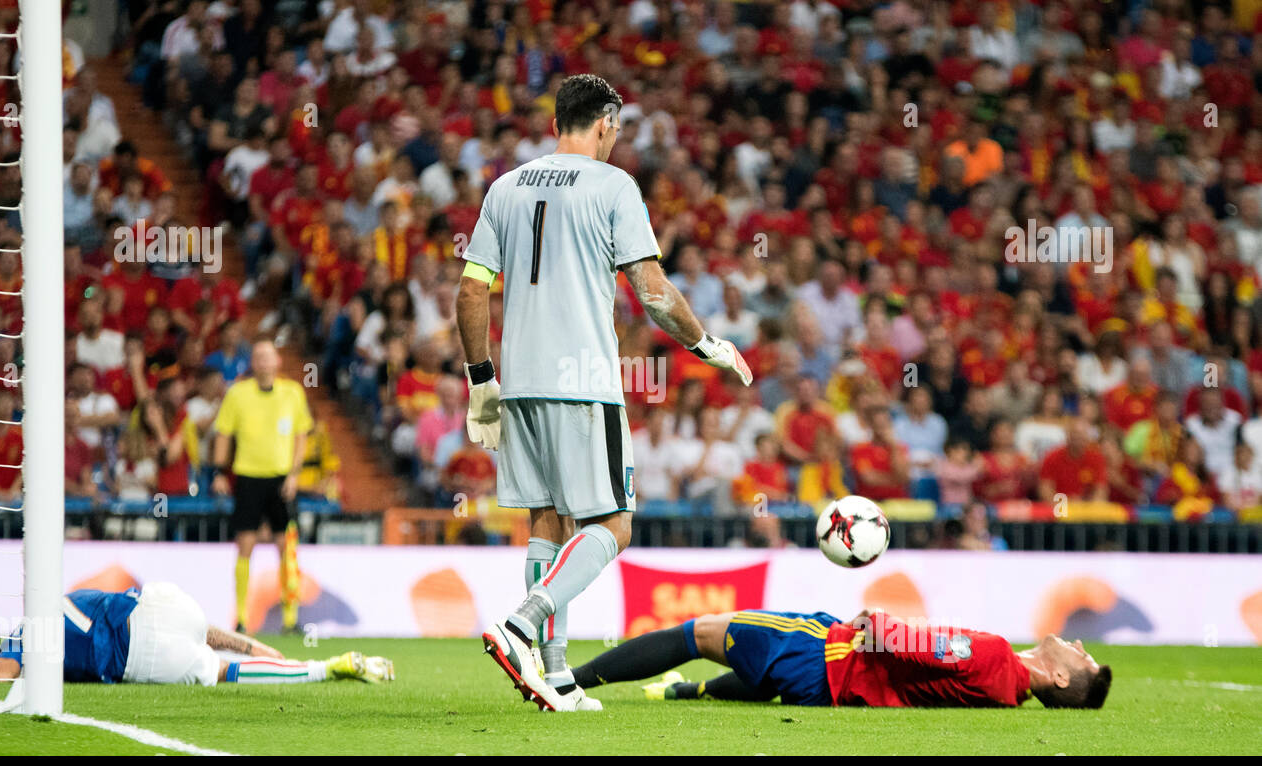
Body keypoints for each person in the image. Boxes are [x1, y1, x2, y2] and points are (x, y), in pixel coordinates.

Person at [455, 74, 751, 712]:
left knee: (547, 520)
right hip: (583, 381)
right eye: (617, 129)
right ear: (605, 123)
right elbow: (651, 291)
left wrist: (482, 380)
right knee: (615, 522)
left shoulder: (505, 187)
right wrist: (706, 345)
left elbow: (472, 289)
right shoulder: (614, 186)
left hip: (520, 384)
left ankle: (555, 677)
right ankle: (522, 624)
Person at [569, 608, 1111, 709]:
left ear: (1060, 676)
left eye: (1082, 659)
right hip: (828, 690)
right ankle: (681, 690)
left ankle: (570, 681)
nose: (1080, 645)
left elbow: (911, 646)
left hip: (826, 653)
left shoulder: (994, 657)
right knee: (761, 682)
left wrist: (874, 622)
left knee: (700, 632)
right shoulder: (1008, 694)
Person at [0, 583, 393, 686]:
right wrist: (253, 644)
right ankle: (271, 654)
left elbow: (2, 673)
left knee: (223, 674)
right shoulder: (71, 596)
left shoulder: (26, 632)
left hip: (139, 653)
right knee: (208, 637)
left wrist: (0, 657)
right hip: (167, 603)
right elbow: (208, 633)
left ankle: (324, 668)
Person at [211, 337, 313, 633]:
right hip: (248, 477)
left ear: (277, 361)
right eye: (258, 357)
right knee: (245, 545)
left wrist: (294, 474)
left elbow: (301, 435)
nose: (264, 362)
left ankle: (290, 619)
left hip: (282, 479)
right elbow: (224, 434)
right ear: (252, 363)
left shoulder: (292, 393)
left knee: (287, 546)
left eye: (269, 356)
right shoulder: (237, 394)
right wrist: (219, 471)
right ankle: (241, 618)